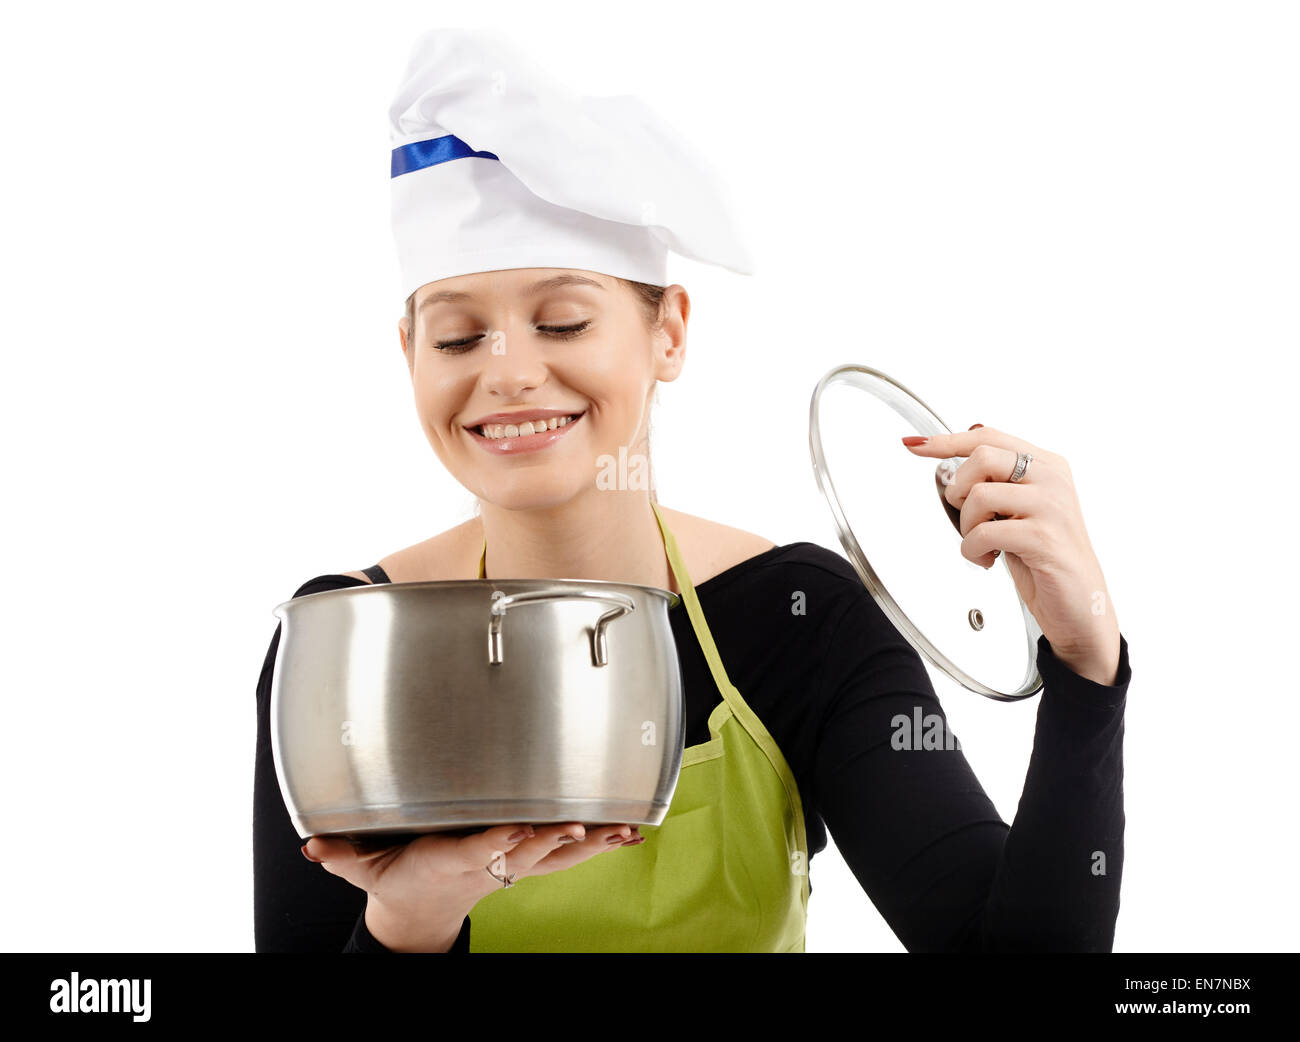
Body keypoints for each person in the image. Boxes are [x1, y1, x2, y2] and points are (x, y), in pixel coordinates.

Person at [253, 28, 1132, 953]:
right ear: (409, 358)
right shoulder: (344, 644)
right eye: (459, 338)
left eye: (561, 321)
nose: (509, 373)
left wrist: (1086, 669)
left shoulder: (800, 622)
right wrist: (407, 922)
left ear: (668, 332)